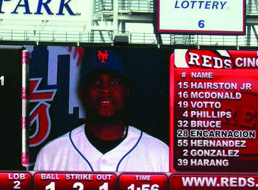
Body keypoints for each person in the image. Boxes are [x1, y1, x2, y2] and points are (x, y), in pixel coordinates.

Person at [34, 48, 169, 173]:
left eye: (114, 82)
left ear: (127, 92)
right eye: (95, 82)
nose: (105, 90)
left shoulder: (159, 153)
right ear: (81, 92)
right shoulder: (51, 154)